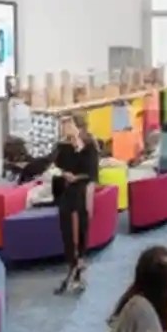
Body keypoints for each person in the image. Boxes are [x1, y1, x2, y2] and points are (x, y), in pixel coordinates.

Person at [52, 115, 99, 294]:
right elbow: (56, 165)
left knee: (80, 215)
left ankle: (79, 260)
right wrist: (63, 174)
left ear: (78, 126)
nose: (64, 129)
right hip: (67, 188)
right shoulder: (62, 147)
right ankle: (73, 263)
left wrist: (76, 177)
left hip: (83, 187)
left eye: (68, 125)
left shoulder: (90, 147)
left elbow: (92, 173)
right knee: (64, 220)